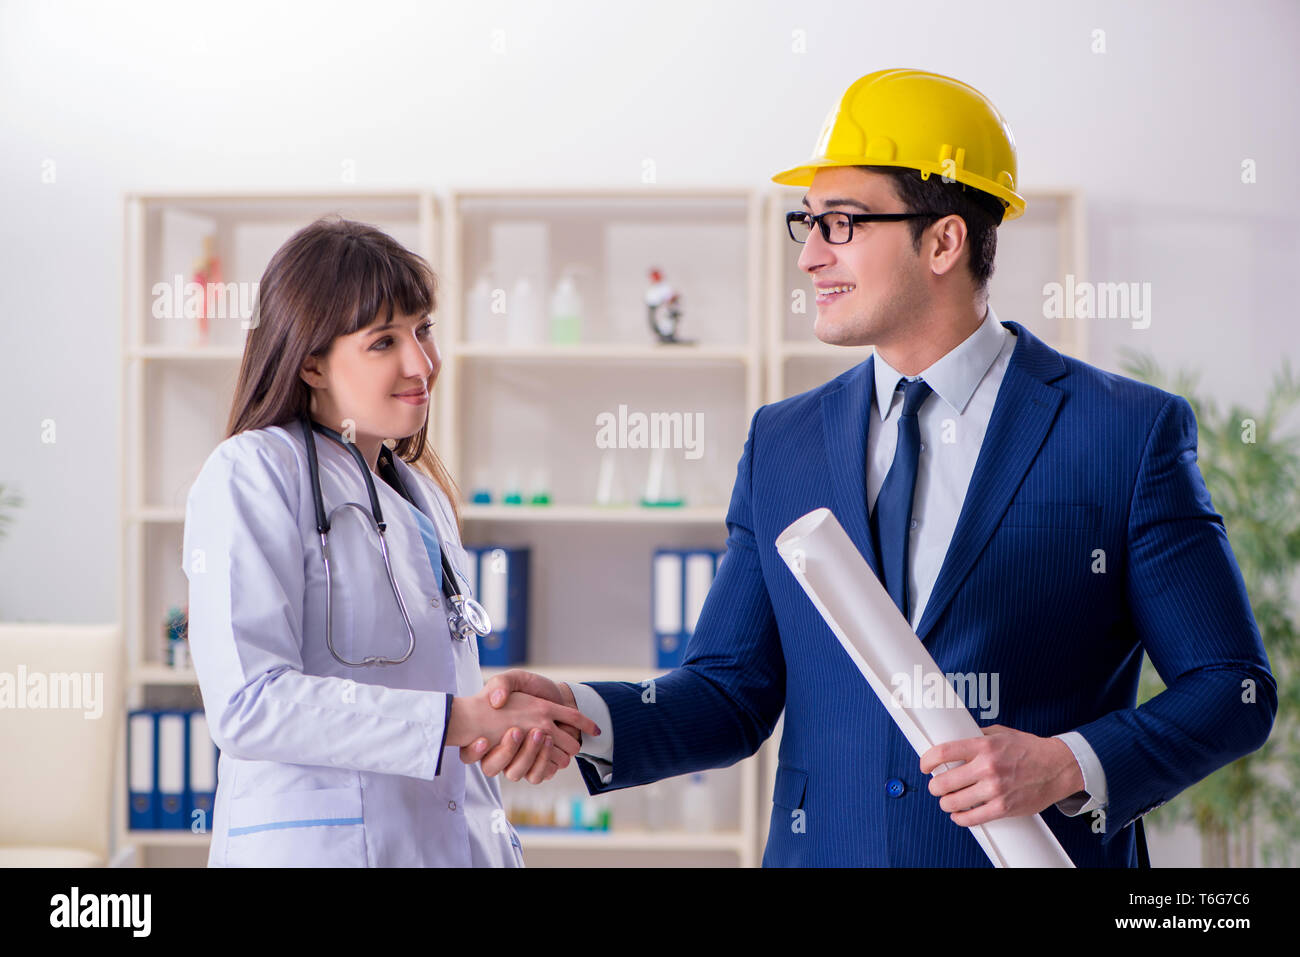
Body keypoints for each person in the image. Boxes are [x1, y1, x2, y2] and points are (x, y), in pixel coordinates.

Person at [465, 69, 1277, 866]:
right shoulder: (784, 440)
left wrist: (1066, 763)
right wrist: (582, 713)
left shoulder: (1124, 432)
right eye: (807, 222)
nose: (810, 255)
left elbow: (1231, 687)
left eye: (842, 223)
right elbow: (728, 691)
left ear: (944, 239)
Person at [183, 217, 598, 867]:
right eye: (383, 341)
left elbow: (435, 695)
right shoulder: (252, 472)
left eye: (423, 329)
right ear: (311, 361)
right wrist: (458, 721)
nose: (422, 362)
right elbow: (248, 703)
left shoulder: (423, 495)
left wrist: (502, 728)